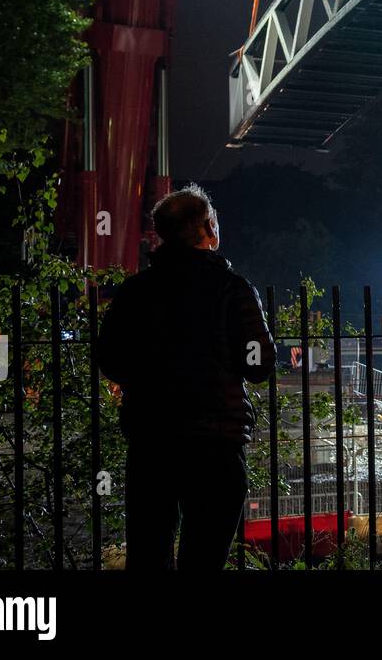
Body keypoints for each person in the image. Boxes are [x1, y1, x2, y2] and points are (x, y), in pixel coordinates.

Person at [99, 184, 274, 569]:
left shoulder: (136, 292)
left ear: (162, 235)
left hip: (152, 442)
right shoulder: (232, 289)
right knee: (205, 556)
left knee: (148, 553)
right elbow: (259, 365)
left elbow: (110, 359)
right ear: (209, 227)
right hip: (216, 445)